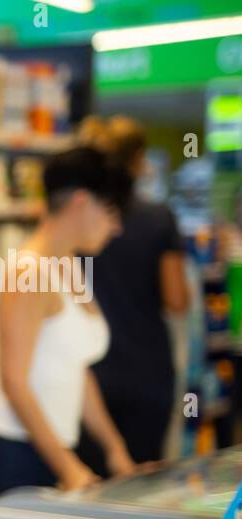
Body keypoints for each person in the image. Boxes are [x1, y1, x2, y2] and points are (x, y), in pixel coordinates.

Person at [0, 146, 137, 502]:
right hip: (9, 453)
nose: (116, 228)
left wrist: (114, 448)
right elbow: (14, 381)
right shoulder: (28, 271)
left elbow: (77, 368)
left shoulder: (71, 265)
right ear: (80, 202)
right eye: (110, 213)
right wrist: (67, 467)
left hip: (48, 452)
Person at [78, 115, 190, 467]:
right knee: (142, 484)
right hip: (146, 371)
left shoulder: (81, 215)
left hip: (88, 371)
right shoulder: (158, 218)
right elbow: (177, 300)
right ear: (139, 159)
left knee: (90, 486)